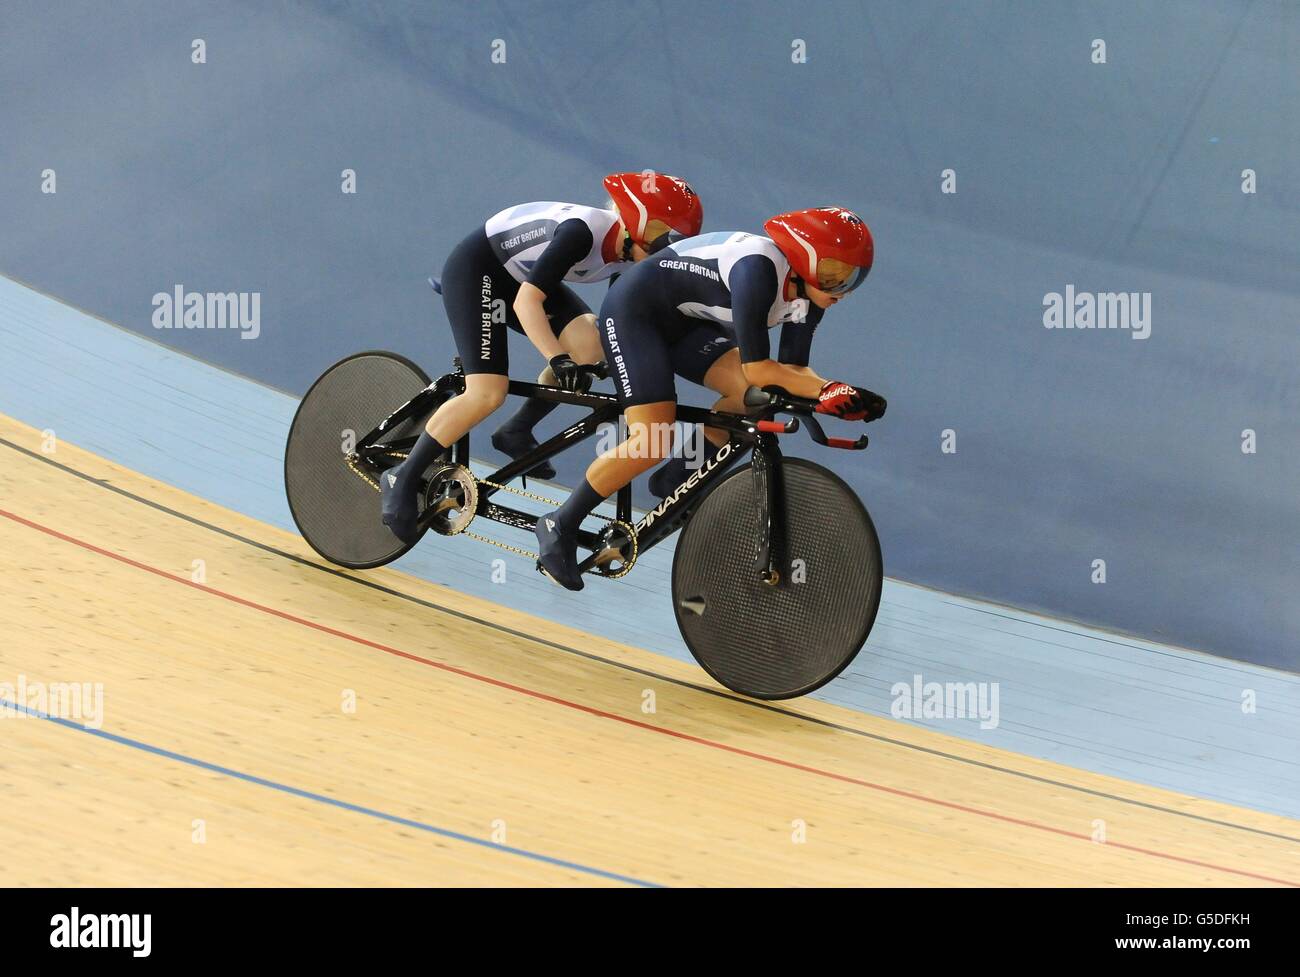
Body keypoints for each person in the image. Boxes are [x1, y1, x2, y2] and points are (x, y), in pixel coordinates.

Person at [533, 207, 886, 590]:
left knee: (758, 400)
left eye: (853, 278)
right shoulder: (758, 270)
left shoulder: (812, 295)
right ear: (804, 257)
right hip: (635, 314)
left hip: (685, 323)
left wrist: (836, 394)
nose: (844, 290)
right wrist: (826, 389)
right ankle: (559, 523)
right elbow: (758, 369)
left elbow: (793, 372)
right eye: (836, 274)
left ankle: (677, 477)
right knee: (651, 439)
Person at [380, 172, 703, 543]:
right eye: (664, 239)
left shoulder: (633, 253)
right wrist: (556, 358)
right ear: (636, 224)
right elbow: (526, 301)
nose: (666, 251)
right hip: (479, 270)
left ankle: (516, 429)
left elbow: (621, 317)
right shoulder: (581, 233)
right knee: (487, 392)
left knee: (591, 345)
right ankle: (402, 476)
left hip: (521, 276)